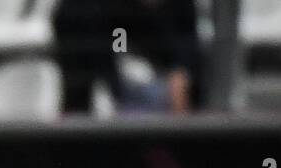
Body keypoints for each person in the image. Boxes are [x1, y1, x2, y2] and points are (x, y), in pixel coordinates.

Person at [54, 0, 202, 114]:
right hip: (107, 91)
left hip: (156, 89)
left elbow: (186, 43)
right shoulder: (85, 12)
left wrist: (181, 72)